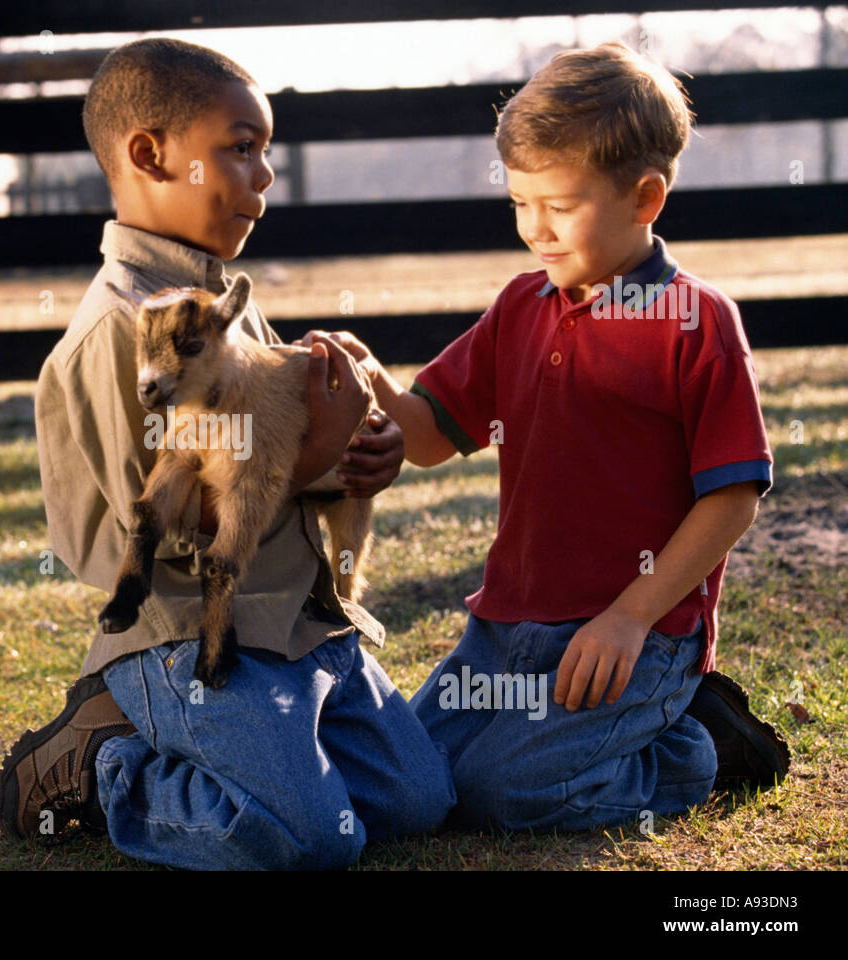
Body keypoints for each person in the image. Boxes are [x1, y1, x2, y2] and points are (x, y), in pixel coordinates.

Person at [301, 41, 790, 831]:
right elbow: (428, 435)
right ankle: (606, 737)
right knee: (415, 782)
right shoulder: (520, 306)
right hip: (503, 630)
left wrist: (631, 615)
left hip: (636, 633)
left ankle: (691, 748)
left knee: (505, 793)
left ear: (645, 198)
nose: (535, 228)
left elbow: (732, 500)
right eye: (520, 203)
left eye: (559, 206)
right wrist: (377, 393)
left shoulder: (698, 324)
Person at [0, 37, 455, 868]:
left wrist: (356, 453)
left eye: (266, 151)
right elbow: (167, 525)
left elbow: (279, 454)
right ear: (149, 155)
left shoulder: (226, 312)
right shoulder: (119, 332)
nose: (265, 175)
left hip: (303, 625)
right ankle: (102, 764)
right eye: (240, 148)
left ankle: (253, 749)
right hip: (193, 635)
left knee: (418, 802)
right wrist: (313, 448)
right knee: (308, 839)